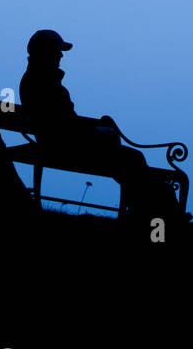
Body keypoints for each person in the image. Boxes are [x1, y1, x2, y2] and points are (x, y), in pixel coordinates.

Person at [18, 29, 171, 224]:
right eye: (57, 50)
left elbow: (62, 122)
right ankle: (159, 214)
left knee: (129, 161)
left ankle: (152, 212)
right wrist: (99, 133)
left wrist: (97, 129)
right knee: (132, 158)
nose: (61, 55)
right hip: (66, 148)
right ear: (46, 52)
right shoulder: (44, 83)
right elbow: (64, 126)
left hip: (61, 144)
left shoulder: (39, 80)